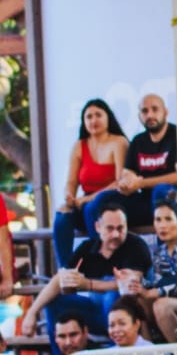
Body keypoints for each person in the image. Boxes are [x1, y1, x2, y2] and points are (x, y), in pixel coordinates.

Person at [20, 202, 152, 345]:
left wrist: (88, 284)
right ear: (98, 227)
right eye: (110, 228)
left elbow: (130, 283)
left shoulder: (135, 246)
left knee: (112, 297)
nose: (115, 234)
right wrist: (32, 312)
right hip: (95, 313)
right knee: (54, 302)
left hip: (127, 316)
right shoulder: (88, 248)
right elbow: (59, 280)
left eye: (120, 228)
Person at [95, 94, 177, 229]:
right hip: (148, 205)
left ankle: (165, 249)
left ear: (165, 113)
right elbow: (127, 174)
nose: (150, 115)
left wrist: (141, 183)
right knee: (105, 199)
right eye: (144, 111)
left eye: (155, 109)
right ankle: (104, 248)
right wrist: (126, 183)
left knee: (160, 191)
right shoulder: (138, 141)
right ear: (139, 116)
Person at [52, 98, 129, 267]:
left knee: (91, 207)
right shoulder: (79, 146)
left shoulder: (118, 142)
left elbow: (119, 182)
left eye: (98, 115)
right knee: (62, 216)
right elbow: (71, 181)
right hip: (85, 201)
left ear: (108, 117)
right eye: (89, 117)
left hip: (111, 200)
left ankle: (99, 264)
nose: (93, 120)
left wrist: (86, 199)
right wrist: (69, 196)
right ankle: (66, 270)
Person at [140, 199, 177, 342]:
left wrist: (158, 292)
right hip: (167, 302)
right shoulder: (158, 253)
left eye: (168, 219)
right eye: (158, 220)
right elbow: (152, 284)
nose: (162, 225)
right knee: (137, 302)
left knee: (161, 306)